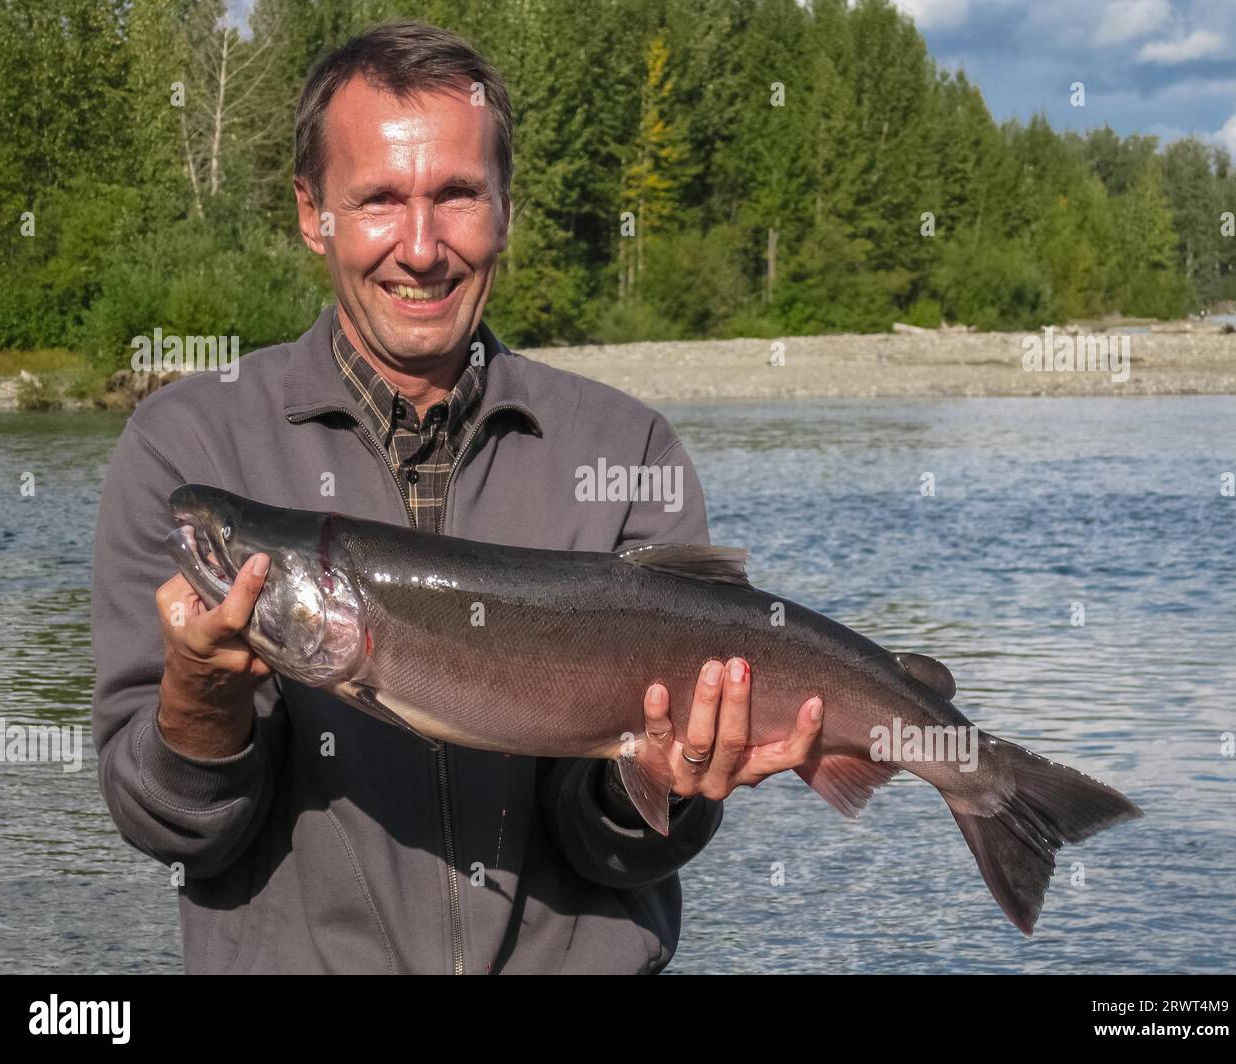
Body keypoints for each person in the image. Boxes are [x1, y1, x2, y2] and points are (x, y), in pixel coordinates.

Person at [91, 18, 822, 974]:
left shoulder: (626, 448)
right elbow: (176, 830)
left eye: (458, 195)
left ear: (507, 209)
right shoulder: (186, 447)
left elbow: (612, 853)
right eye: (380, 199)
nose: (423, 247)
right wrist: (200, 698)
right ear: (314, 213)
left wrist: (664, 787)